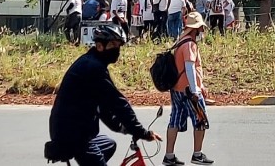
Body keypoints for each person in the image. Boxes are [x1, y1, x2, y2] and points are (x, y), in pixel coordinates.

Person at [48, 24, 162, 165]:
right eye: (113, 44)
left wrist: (122, 128)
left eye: (119, 45)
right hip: (73, 135)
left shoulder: (92, 62)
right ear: (99, 46)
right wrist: (141, 132)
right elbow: (118, 103)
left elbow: (104, 107)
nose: (117, 49)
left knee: (108, 144)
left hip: (74, 130)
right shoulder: (93, 68)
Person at [165, 12, 214, 166]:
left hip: (177, 89)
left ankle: (169, 155)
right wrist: (195, 90)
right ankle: (197, 154)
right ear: (196, 28)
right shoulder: (190, 44)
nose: (202, 30)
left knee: (174, 120)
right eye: (200, 28)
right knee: (200, 120)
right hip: (188, 91)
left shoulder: (181, 41)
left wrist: (200, 85)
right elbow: (189, 67)